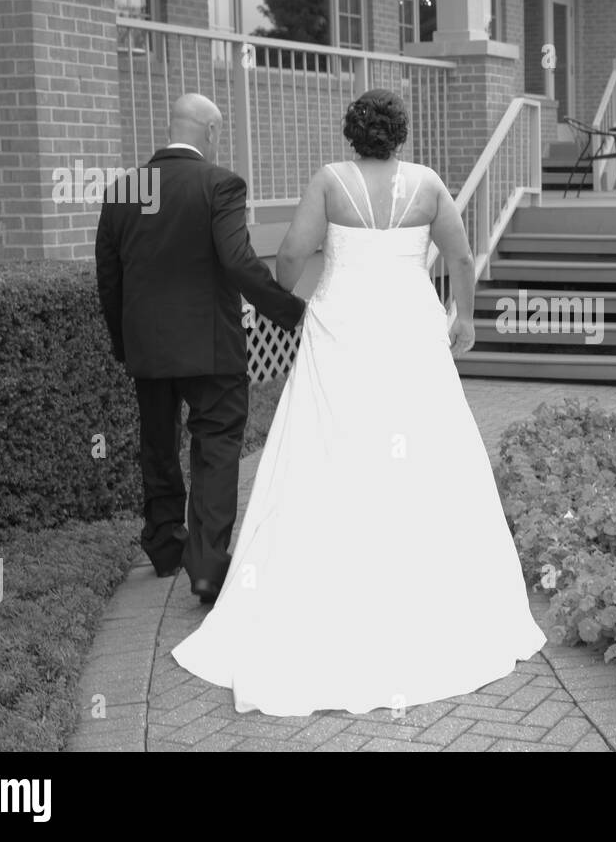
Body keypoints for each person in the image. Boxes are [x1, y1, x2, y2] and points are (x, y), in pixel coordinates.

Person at [170, 88, 547, 715]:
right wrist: (465, 318)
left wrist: (293, 304)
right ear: (399, 134)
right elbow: (458, 255)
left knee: (328, 447)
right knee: (425, 450)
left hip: (341, 326)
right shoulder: (427, 184)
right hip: (409, 331)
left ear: (352, 134)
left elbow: (291, 254)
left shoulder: (329, 180)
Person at [96, 93, 306, 603]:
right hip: (212, 348)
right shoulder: (220, 184)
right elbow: (237, 261)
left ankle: (166, 546)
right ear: (210, 132)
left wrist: (126, 345)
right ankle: (208, 568)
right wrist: (292, 313)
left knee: (159, 446)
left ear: (173, 126)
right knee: (215, 449)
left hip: (150, 349)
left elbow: (109, 277)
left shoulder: (126, 189)